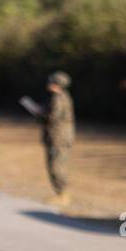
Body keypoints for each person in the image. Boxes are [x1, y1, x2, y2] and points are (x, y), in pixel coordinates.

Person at [38, 71, 75, 205]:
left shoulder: (58, 98)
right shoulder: (62, 96)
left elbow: (53, 117)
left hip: (58, 137)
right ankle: (61, 193)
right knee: (56, 164)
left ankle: (63, 195)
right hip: (59, 137)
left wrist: (39, 113)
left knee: (56, 166)